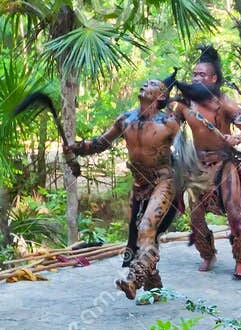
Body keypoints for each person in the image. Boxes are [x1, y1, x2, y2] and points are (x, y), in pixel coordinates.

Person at [66, 77, 183, 299]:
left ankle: (133, 281)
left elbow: (193, 141)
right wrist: (77, 147)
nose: (145, 85)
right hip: (139, 186)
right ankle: (154, 284)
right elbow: (101, 143)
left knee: (146, 229)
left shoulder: (168, 123)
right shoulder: (125, 120)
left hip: (162, 183)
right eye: (145, 83)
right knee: (140, 237)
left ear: (161, 96)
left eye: (152, 85)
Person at [176, 45, 241, 280]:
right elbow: (169, 127)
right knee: (196, 216)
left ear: (213, 78)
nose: (196, 78)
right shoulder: (185, 105)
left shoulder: (225, 103)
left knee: (233, 212)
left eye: (202, 74)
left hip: (224, 165)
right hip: (198, 167)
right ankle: (208, 254)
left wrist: (238, 137)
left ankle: (240, 259)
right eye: (194, 74)